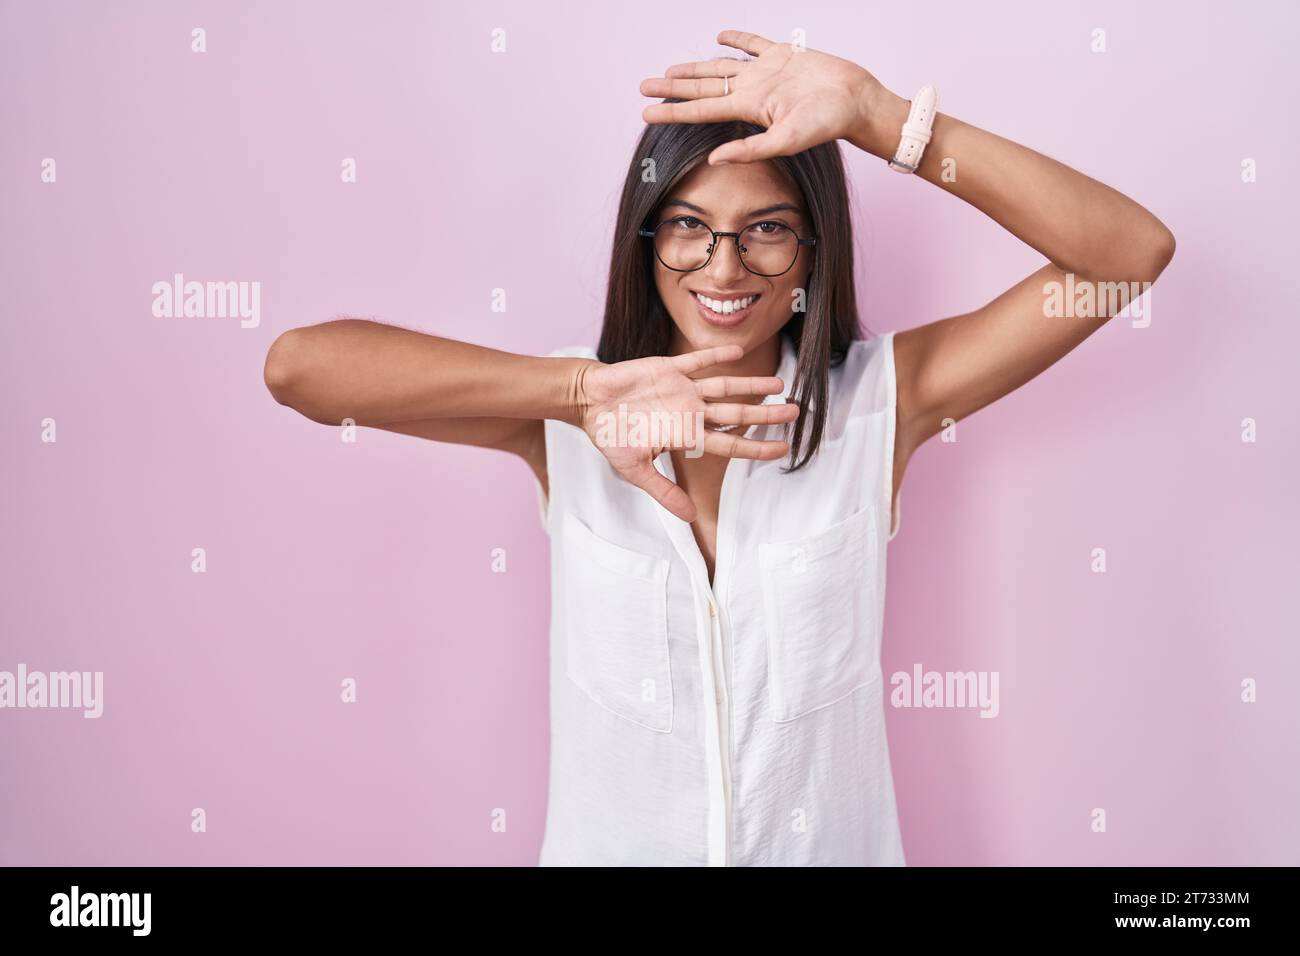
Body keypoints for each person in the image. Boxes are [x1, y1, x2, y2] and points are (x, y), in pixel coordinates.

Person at [263, 30, 1175, 866]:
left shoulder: (881, 404)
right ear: (648, 238)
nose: (725, 269)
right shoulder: (563, 413)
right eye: (689, 226)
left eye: (768, 230)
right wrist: (581, 394)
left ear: (815, 254)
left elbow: (1128, 254)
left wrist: (880, 115)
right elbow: (301, 370)